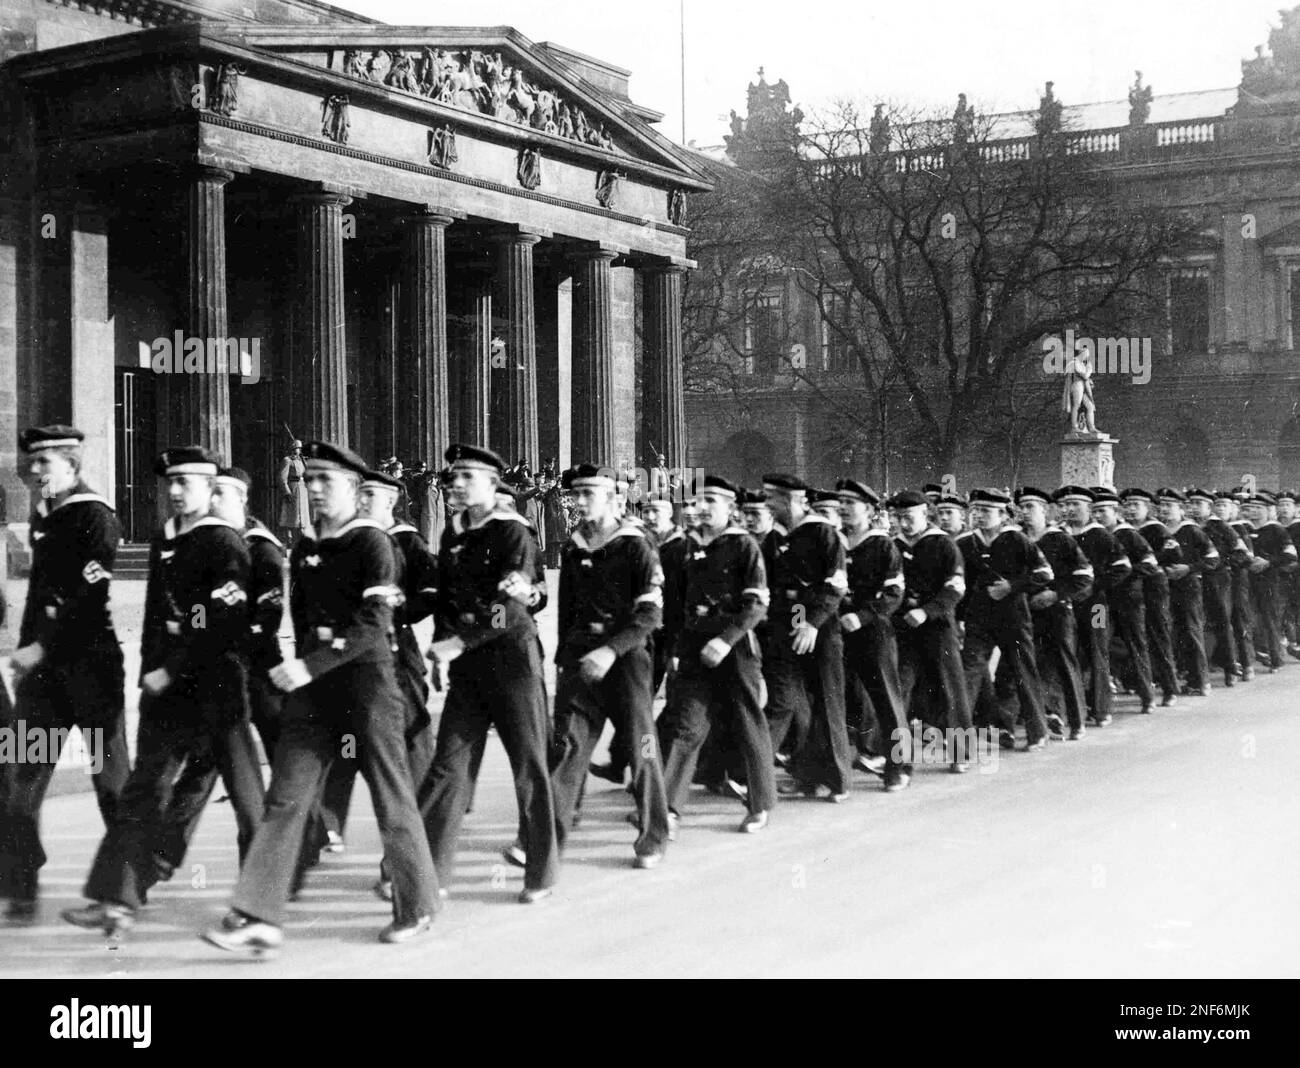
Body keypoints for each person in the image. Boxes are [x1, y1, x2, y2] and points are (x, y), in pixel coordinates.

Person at [201, 441, 441, 955]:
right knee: (286, 798)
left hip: (369, 688)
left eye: (325, 481)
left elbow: (373, 625)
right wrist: (305, 671)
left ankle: (417, 903)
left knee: (390, 796)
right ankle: (259, 914)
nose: (312, 489)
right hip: (315, 694)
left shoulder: (372, 543)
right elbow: (305, 620)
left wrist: (306, 665)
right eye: (309, 480)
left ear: (353, 489)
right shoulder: (307, 547)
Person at [64, 446, 264, 941]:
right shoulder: (165, 538)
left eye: (187, 483)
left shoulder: (223, 542)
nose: (175, 492)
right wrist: (151, 671)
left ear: (210, 488)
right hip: (167, 695)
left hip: (217, 690)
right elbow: (159, 613)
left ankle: (259, 904)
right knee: (142, 792)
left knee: (247, 799)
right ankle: (118, 899)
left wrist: (170, 666)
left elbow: (219, 621)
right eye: (170, 482)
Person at [417, 444, 558, 903]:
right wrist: (443, 647)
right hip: (468, 669)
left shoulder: (513, 533)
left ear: (493, 483)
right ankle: (428, 874)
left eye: (467, 477)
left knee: (528, 767)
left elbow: (511, 609)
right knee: (447, 769)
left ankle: (541, 870)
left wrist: (459, 642)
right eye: (453, 476)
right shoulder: (453, 533)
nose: (456, 484)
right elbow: (447, 600)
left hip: (512, 665)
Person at [0, 425, 128, 922]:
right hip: (43, 681)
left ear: (72, 467)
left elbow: (87, 598)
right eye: (31, 464)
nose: (34, 473)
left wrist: (38, 647)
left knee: (112, 785)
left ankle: (122, 891)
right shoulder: (43, 517)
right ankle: (20, 881)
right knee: (18, 781)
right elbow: (39, 597)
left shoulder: (95, 517)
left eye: (45, 464)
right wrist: (28, 660)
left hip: (92, 675)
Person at [147, 467, 287, 887]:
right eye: (211, 494)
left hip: (259, 673)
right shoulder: (207, 544)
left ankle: (297, 848)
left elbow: (269, 613)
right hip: (215, 673)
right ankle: (159, 859)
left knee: (279, 767)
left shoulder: (262, 549)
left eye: (222, 494)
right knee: (203, 768)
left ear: (243, 500)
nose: (213, 502)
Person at [548, 463, 671, 867]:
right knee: (567, 746)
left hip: (626, 661)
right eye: (576, 494)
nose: (580, 502)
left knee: (642, 747)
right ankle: (547, 840)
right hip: (582, 661)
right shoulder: (573, 545)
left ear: (614, 499)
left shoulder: (636, 545)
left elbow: (650, 616)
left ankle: (653, 835)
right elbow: (568, 611)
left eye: (590, 494)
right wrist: (563, 661)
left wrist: (611, 651)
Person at [659, 476, 775, 831]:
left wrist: (725, 640)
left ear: (730, 508)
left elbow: (755, 604)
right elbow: (676, 606)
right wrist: (677, 650)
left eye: (711, 500)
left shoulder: (744, 546)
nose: (701, 507)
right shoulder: (685, 547)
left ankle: (759, 804)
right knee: (687, 724)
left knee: (746, 723)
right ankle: (667, 808)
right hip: (695, 648)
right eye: (698, 501)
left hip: (735, 647)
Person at [761, 473, 853, 799]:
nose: (767, 504)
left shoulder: (823, 533)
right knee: (790, 702)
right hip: (785, 627)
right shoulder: (772, 538)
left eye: (771, 498)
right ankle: (805, 775)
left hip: (821, 628)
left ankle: (838, 779)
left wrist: (812, 622)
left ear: (791, 500)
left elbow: (836, 584)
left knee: (828, 704)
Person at [956, 488, 1054, 751]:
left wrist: (1012, 586)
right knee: (968, 674)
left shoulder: (1017, 540)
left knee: (1023, 672)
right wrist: (958, 618)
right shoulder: (965, 543)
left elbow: (1044, 573)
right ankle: (961, 746)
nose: (978, 516)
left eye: (986, 511)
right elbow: (959, 583)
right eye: (975, 510)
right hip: (978, 619)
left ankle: (1038, 732)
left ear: (1002, 514)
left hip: (1013, 617)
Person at [887, 489, 971, 770]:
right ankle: (896, 758)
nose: (903, 523)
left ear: (925, 514)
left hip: (937, 627)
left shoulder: (943, 545)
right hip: (903, 628)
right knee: (898, 686)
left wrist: (928, 610)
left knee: (950, 687)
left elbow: (955, 587)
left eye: (909, 517)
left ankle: (961, 753)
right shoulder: (893, 545)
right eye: (898, 518)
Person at [835, 479, 909, 789]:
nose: (843, 508)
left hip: (874, 633)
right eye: (841, 502)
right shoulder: (835, 542)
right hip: (838, 633)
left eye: (850, 503)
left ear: (868, 509)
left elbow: (894, 592)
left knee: (887, 701)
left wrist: (864, 616)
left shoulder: (882, 545)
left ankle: (899, 766)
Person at [1015, 487, 1093, 740]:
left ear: (1045, 510)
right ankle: (1044, 718)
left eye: (1031, 507)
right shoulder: (1016, 539)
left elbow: (1083, 577)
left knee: (1064, 663)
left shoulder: (1060, 539)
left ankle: (1077, 720)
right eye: (1022, 507)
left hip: (1057, 611)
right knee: (1030, 666)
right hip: (1026, 613)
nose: (1025, 512)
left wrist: (1056, 594)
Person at [1055, 485, 1130, 725]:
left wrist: (1095, 586)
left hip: (1095, 606)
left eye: (1075, 505)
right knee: (1068, 653)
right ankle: (1069, 709)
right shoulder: (1058, 534)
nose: (1069, 509)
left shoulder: (1102, 535)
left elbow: (1123, 567)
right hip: (1066, 604)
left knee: (1097, 650)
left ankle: (1101, 708)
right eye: (1065, 505)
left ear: (1089, 508)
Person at [1091, 487, 1158, 714]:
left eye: (1103, 511)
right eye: (1094, 511)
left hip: (1129, 600)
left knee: (1136, 645)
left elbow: (1150, 563)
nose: (1098, 516)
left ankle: (1147, 696)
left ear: (1116, 510)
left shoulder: (1128, 534)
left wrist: (1124, 575)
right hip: (1100, 604)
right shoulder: (1095, 536)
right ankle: (1100, 703)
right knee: (1098, 645)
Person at [1120, 487, 1181, 705]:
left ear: (1148, 508)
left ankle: (1169, 688)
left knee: (1159, 636)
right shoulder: (1122, 530)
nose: (1131, 510)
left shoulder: (1157, 529)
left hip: (1154, 587)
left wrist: (1149, 561)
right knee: (1134, 639)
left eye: (1136, 505)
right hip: (1131, 590)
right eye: (1127, 505)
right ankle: (1137, 683)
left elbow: (1174, 552)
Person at [1158, 488, 1219, 696]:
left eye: (1169, 506)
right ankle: (1181, 677)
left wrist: (1189, 568)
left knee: (1191, 631)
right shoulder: (1159, 530)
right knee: (1172, 633)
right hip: (1165, 587)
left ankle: (1201, 681)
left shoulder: (1191, 530)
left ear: (1181, 509)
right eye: (1162, 506)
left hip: (1188, 587)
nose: (1164, 510)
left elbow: (1212, 558)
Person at [1241, 491, 1298, 672]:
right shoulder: (1245, 528)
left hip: (1271, 580)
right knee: (1249, 618)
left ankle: (1276, 658)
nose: (1255, 512)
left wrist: (1269, 562)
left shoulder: (1276, 529)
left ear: (1268, 510)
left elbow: (1290, 554)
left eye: (1259, 508)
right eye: (1252, 508)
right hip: (1247, 579)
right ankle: (1252, 657)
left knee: (1270, 618)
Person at [277, 439, 310, 545]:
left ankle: (301, 537)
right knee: (292, 518)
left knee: (302, 517)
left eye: (300, 448)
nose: (299, 450)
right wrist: (287, 492)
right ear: (292, 449)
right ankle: (289, 538)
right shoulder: (287, 460)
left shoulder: (301, 461)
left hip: (303, 489)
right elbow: (282, 478)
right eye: (297, 448)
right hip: (293, 490)